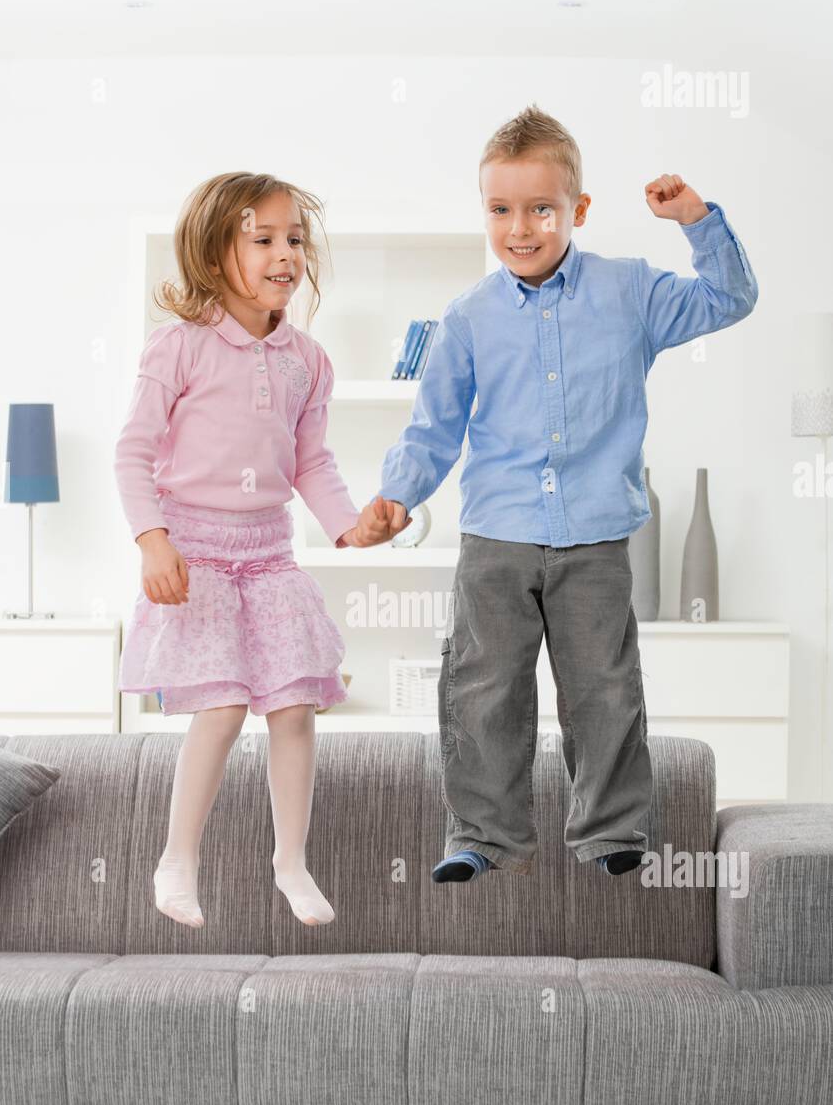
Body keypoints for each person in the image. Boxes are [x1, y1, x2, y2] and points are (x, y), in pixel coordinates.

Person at [362, 104, 759, 883]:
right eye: (501, 210)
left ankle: (612, 830)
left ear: (577, 210)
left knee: (604, 690)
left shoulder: (630, 292)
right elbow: (435, 427)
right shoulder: (468, 318)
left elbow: (730, 299)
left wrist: (697, 220)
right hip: (497, 539)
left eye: (541, 209)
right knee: (482, 690)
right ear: (484, 212)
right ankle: (481, 833)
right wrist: (397, 497)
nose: (521, 227)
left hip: (597, 537)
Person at [115, 172, 387, 929]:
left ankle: (291, 862)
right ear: (212, 252)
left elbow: (310, 463)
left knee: (294, 706)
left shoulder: (308, 361)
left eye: (294, 239)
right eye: (262, 238)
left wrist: (348, 525)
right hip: (194, 555)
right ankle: (178, 859)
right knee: (226, 708)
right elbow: (133, 453)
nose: (284, 254)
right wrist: (153, 542)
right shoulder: (178, 348)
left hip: (269, 557)